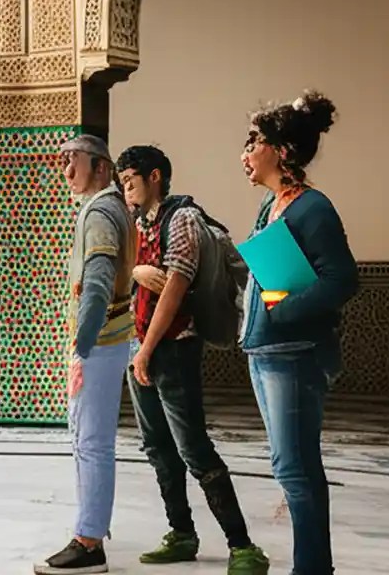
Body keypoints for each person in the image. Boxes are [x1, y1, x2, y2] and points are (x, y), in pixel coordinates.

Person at [115, 145, 269, 574]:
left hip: (173, 349)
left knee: (194, 449)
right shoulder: (135, 223)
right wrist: (135, 273)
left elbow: (176, 286)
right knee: (158, 448)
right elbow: (121, 267)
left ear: (156, 177)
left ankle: (243, 547)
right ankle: (181, 533)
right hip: (138, 346)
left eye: (131, 181)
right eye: (122, 182)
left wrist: (145, 352)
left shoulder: (180, 218)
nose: (126, 190)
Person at [239, 90, 357, 575]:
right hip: (268, 351)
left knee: (295, 468)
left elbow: (343, 279)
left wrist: (285, 313)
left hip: (295, 353)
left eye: (254, 141)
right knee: (294, 466)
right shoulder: (273, 205)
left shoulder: (313, 208)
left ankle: (311, 569)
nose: (245, 153)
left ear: (282, 151)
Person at [37, 134, 136, 575]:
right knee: (89, 439)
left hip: (100, 340)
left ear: (101, 166)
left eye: (73, 160)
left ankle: (89, 541)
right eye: (62, 161)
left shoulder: (99, 210)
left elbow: (97, 278)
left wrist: (82, 344)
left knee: (92, 442)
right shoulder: (114, 207)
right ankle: (87, 530)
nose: (66, 169)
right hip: (108, 339)